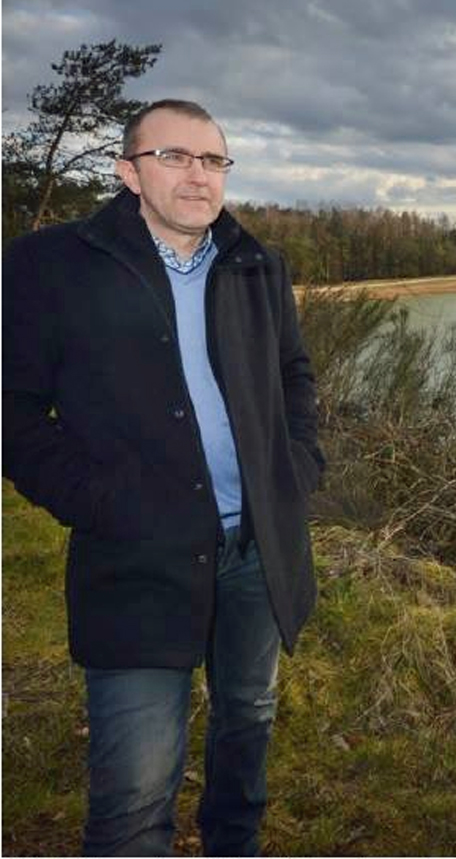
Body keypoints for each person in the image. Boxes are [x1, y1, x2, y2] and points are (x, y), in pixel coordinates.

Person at [3, 99, 325, 856]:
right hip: (135, 556)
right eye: (174, 156)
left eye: (213, 160)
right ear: (127, 171)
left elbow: (294, 376)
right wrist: (97, 500)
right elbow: (12, 409)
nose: (197, 175)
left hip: (255, 547)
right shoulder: (50, 265)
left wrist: (296, 468)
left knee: (248, 718)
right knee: (137, 794)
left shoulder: (256, 264)